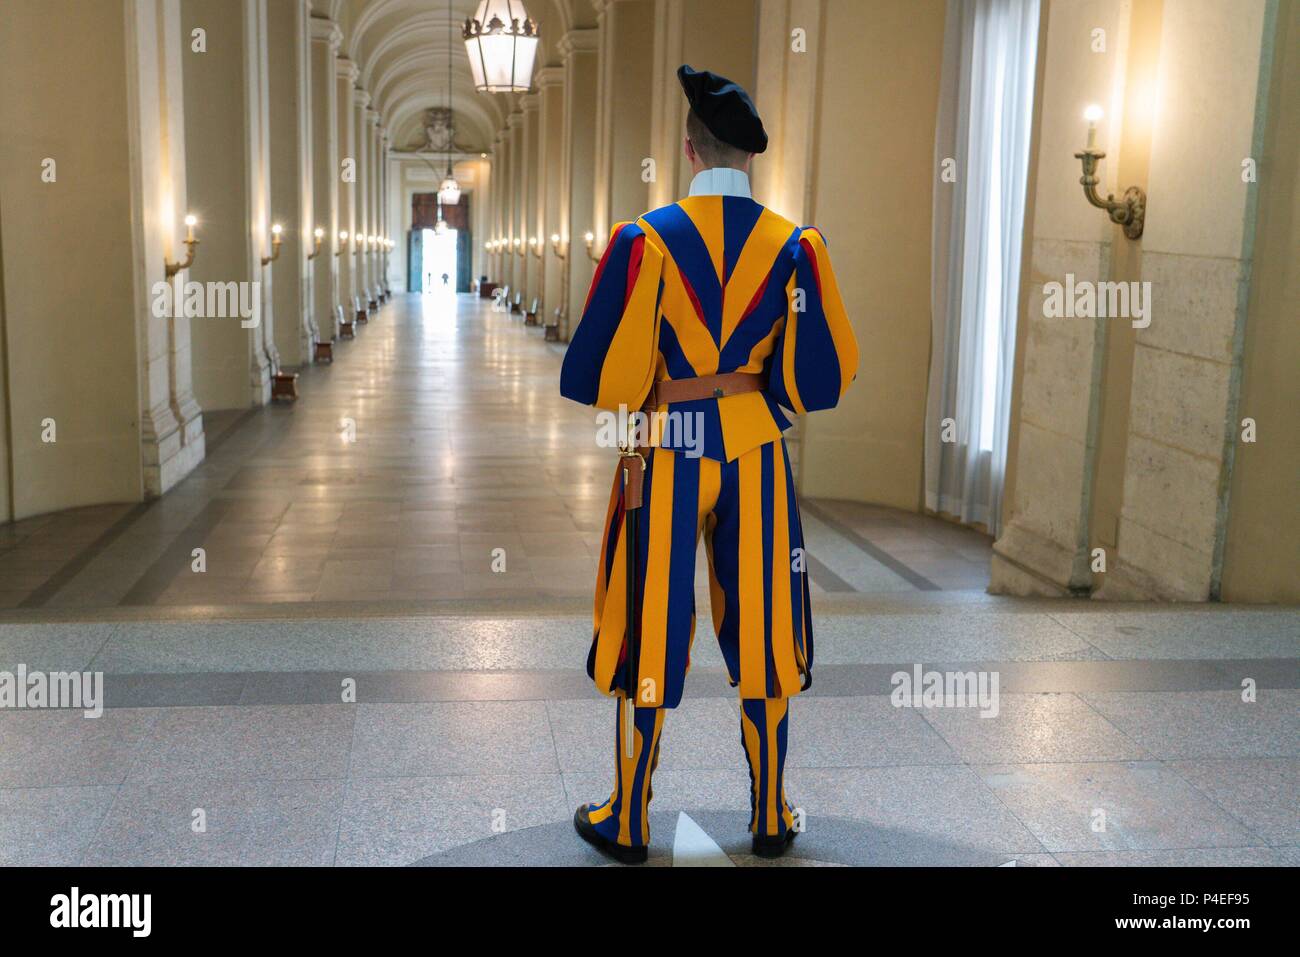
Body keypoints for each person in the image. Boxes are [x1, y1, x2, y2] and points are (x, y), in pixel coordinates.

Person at [559, 65, 858, 864]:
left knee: (650, 615)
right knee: (765, 619)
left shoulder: (644, 238)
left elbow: (593, 372)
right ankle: (768, 812)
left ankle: (627, 814)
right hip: (756, 443)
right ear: (748, 160)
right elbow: (816, 378)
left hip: (668, 441)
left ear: (689, 152)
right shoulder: (795, 245)